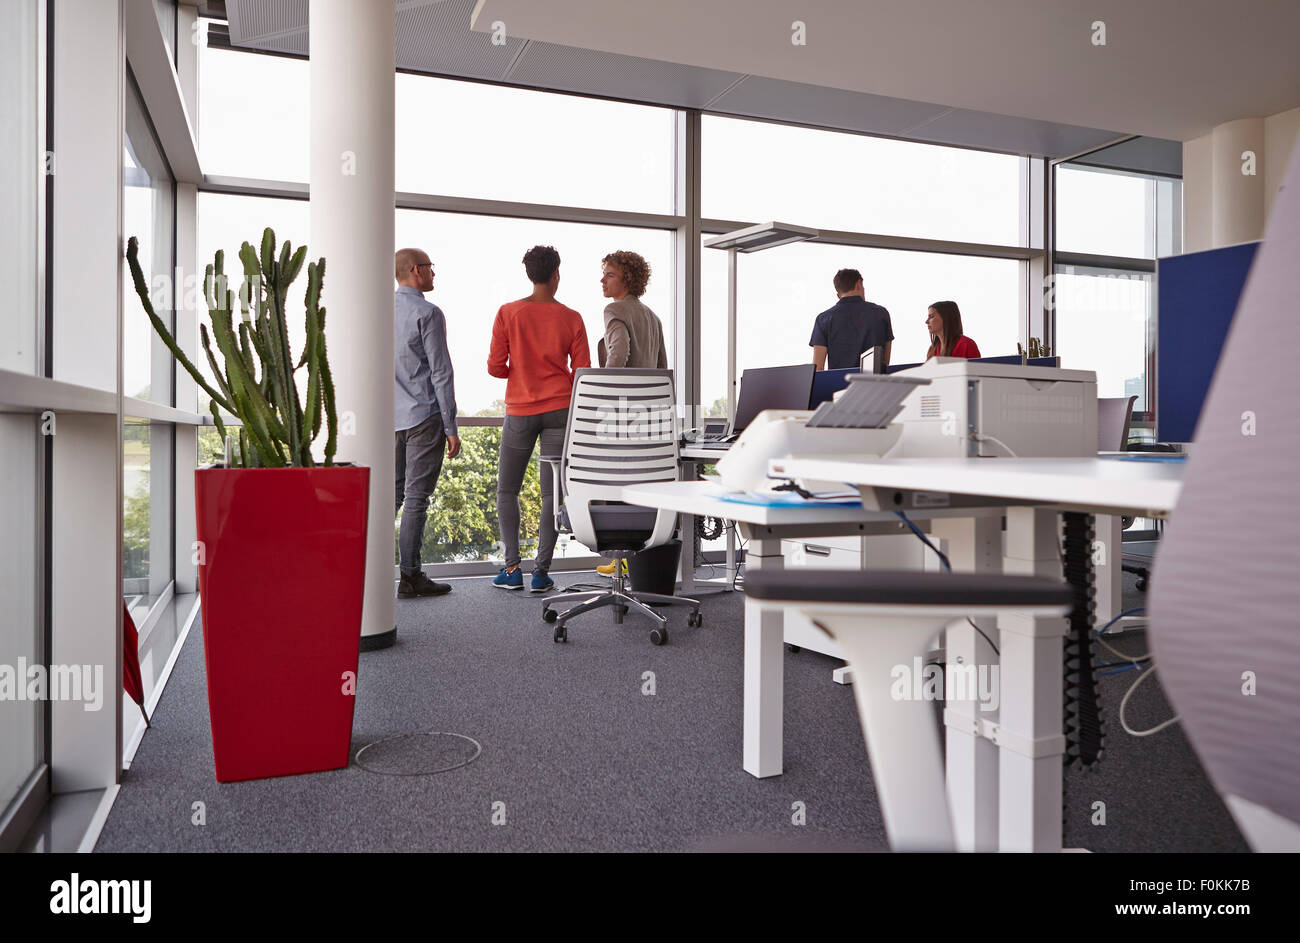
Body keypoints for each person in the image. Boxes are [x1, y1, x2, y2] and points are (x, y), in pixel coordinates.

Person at [488, 245, 591, 593]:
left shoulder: (508, 312)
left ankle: (512, 568)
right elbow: (583, 373)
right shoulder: (572, 318)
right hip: (560, 412)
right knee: (551, 495)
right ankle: (541, 573)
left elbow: (494, 367)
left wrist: (517, 369)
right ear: (556, 274)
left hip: (519, 411)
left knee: (507, 490)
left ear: (530, 274)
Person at [595, 250, 667, 577]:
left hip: (621, 413)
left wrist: (602, 394)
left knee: (615, 485)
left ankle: (619, 557)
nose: (602, 280)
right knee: (638, 485)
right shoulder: (652, 317)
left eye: (609, 274)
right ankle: (631, 559)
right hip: (649, 415)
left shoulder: (614, 310)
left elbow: (618, 357)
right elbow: (663, 370)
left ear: (626, 278)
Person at [394, 247, 461, 598]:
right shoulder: (428, 312)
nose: (434, 274)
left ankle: (368, 571)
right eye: (431, 268)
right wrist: (450, 427)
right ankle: (410, 577)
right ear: (416, 271)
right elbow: (440, 372)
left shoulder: (379, 310)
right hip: (423, 416)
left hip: (388, 419)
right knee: (416, 497)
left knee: (390, 497)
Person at [809, 268, 893, 370]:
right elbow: (885, 363)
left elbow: (818, 368)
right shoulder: (881, 313)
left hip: (839, 385)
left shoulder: (823, 319)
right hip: (874, 383)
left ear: (838, 295)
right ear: (858, 284)